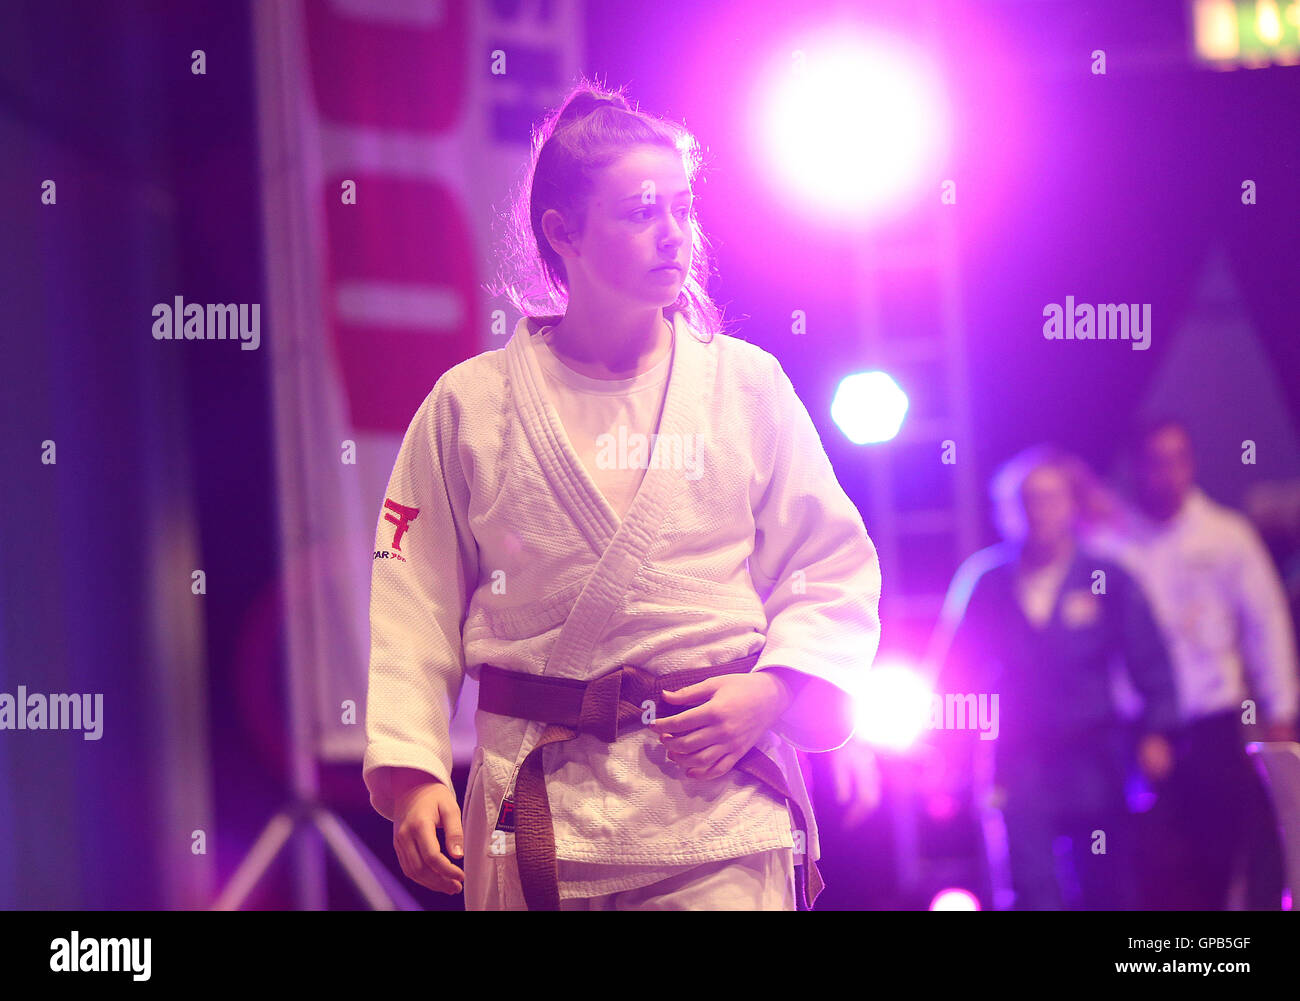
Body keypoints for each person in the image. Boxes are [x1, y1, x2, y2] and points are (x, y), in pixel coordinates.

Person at [361, 80, 883, 910]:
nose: (673, 234)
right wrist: (414, 767)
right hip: (539, 818)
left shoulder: (746, 385)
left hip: (718, 812)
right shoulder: (469, 405)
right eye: (642, 212)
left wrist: (774, 690)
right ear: (561, 234)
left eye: (682, 208)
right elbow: (411, 596)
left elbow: (830, 564)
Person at [932, 445, 1178, 909]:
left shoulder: (1107, 577)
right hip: (1018, 759)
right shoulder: (986, 582)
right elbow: (953, 677)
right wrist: (949, 754)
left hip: (1095, 755)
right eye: (1027, 500)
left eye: (1050, 498)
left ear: (1071, 505)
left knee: (1106, 882)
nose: (1039, 512)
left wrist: (1158, 731)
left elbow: (1150, 660)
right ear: (1008, 511)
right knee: (1029, 886)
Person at [1091, 418, 1299, 909]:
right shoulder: (1112, 544)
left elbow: (1265, 622)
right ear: (1137, 467)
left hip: (1214, 717)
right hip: (1139, 728)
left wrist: (1280, 708)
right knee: (1150, 857)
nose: (1168, 474)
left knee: (1221, 849)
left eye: (1179, 460)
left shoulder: (1227, 535)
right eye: (1156, 462)